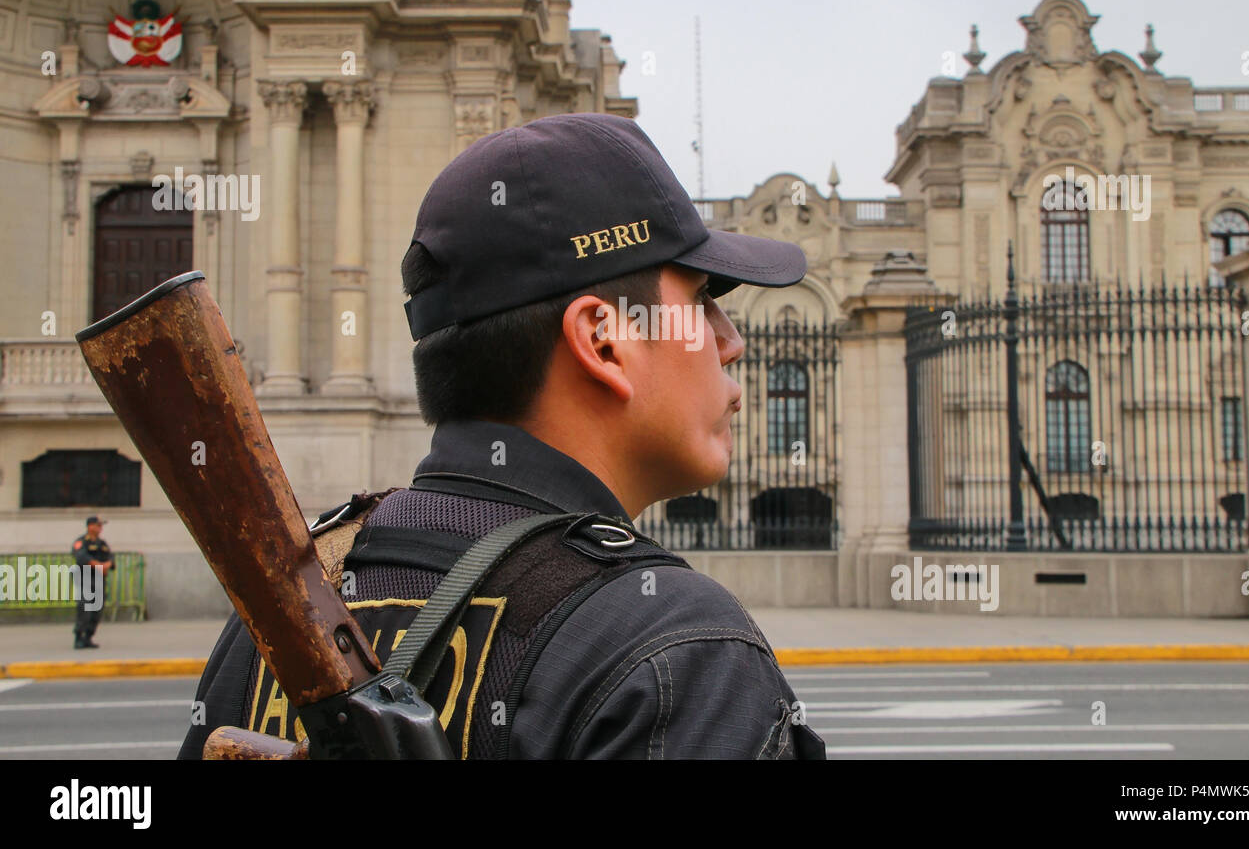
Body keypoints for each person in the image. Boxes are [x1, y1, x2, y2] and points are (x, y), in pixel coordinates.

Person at [180, 112, 825, 759]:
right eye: (701, 299)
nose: (730, 341)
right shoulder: (678, 655)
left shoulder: (281, 609)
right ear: (604, 339)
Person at [71, 516, 113, 649]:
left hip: (99, 579)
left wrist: (107, 564)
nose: (100, 528)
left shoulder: (102, 543)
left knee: (97, 608)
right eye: (98, 525)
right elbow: (81, 556)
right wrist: (99, 565)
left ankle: (88, 636)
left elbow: (111, 557)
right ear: (90, 526)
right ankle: (79, 636)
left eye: (101, 526)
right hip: (85, 577)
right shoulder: (81, 541)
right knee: (85, 606)